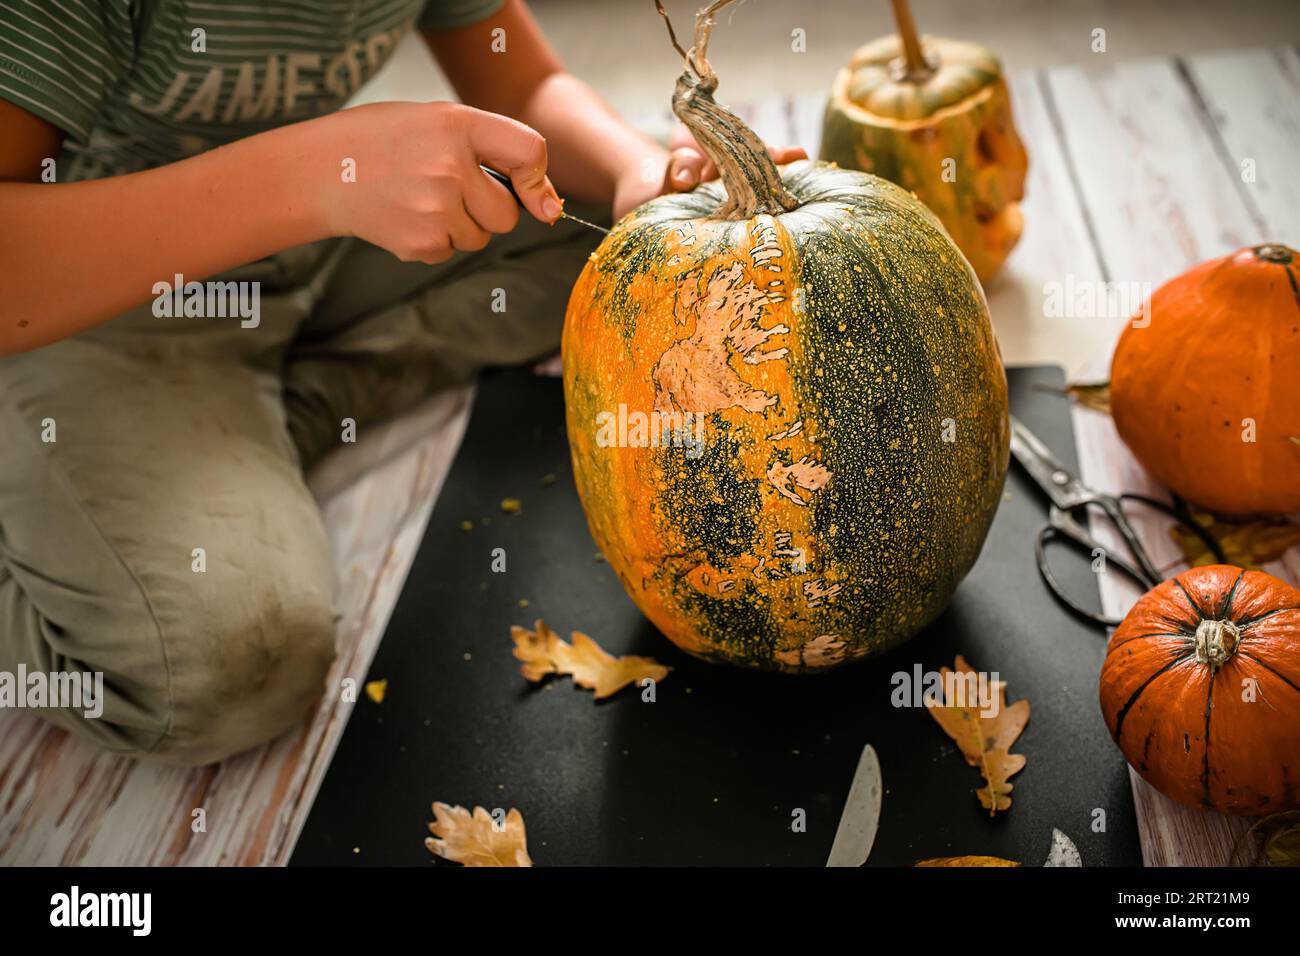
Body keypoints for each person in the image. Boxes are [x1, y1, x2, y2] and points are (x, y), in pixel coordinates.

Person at [0, 0, 804, 764]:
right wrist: (319, 175)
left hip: (308, 244)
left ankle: (264, 424)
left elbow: (524, 86)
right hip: (95, 296)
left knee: (617, 258)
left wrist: (640, 171)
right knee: (216, 669)